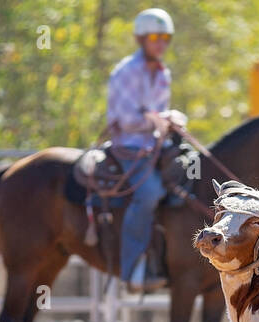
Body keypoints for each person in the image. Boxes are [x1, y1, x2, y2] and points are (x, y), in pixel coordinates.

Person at [106, 7, 187, 292]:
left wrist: (171, 120)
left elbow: (158, 113)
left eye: (166, 37)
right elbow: (124, 120)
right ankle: (131, 269)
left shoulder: (163, 74)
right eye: (155, 36)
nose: (161, 42)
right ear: (141, 39)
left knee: (192, 182)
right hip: (129, 147)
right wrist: (158, 120)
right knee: (149, 193)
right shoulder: (127, 72)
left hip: (155, 146)